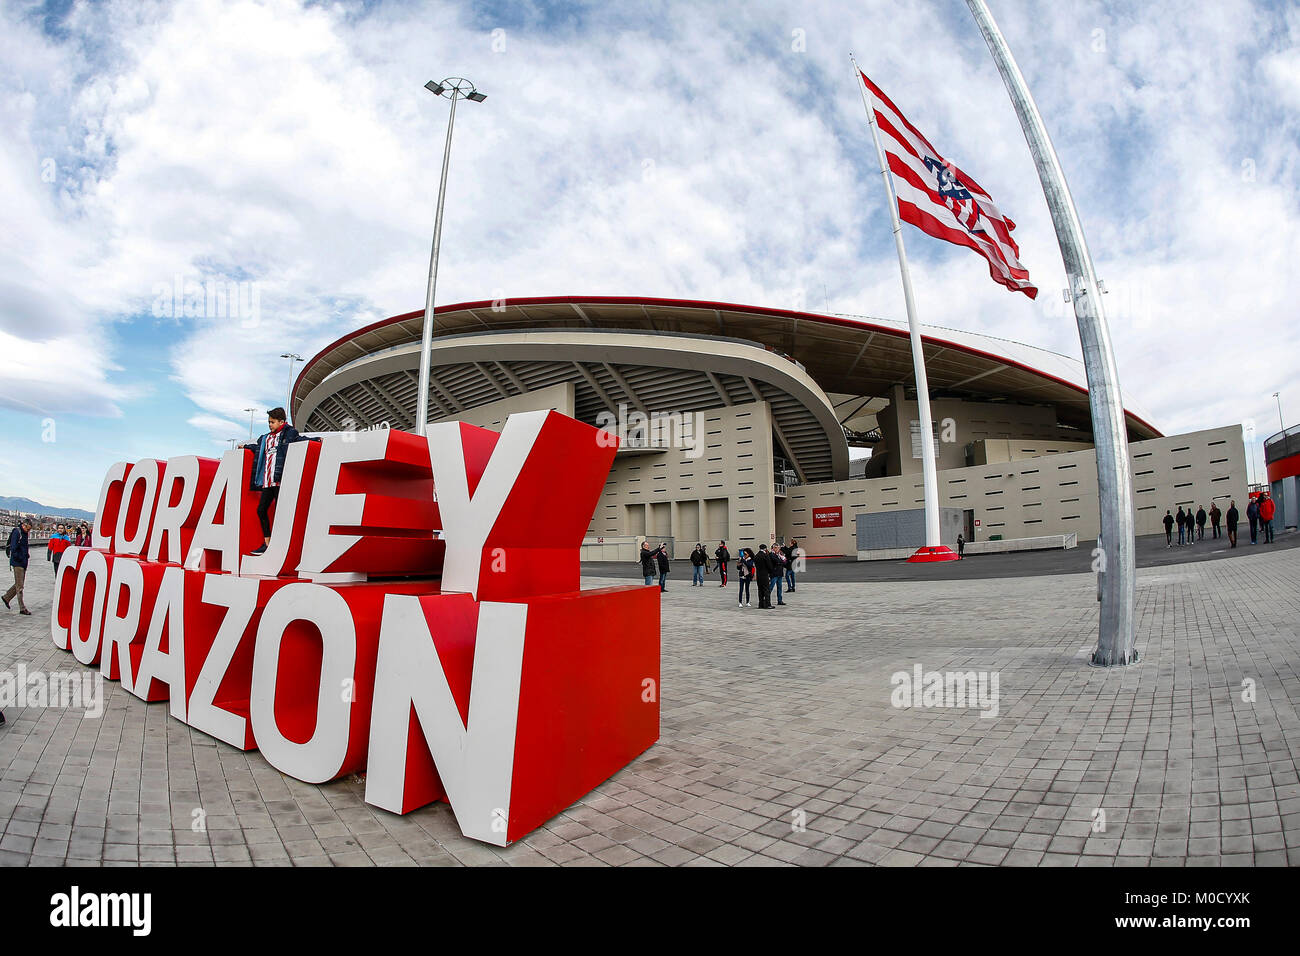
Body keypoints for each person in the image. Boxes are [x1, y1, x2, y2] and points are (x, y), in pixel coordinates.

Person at [243, 407, 309, 556]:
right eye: (269, 422)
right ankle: (267, 543)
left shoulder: (289, 433)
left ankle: (283, 544)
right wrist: (246, 446)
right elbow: (258, 448)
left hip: (280, 481)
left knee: (281, 513)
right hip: (268, 482)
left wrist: (316, 440)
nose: (270, 425)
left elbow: (300, 440)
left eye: (272, 422)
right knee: (261, 510)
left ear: (281, 421)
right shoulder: (265, 438)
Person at [3, 519, 33, 615]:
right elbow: (13, 548)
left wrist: (26, 555)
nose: (28, 531)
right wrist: (20, 557)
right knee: (20, 586)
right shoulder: (17, 532)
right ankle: (22, 608)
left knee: (19, 584)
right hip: (18, 562)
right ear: (24, 525)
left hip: (23, 562)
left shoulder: (24, 533)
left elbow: (23, 547)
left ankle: (6, 597)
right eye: (28, 529)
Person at [754, 544, 772, 609]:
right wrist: (771, 572)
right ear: (765, 548)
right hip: (765, 574)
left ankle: (760, 604)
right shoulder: (765, 556)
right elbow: (769, 566)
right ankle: (767, 604)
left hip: (759, 575)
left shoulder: (756, 556)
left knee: (760, 590)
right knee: (766, 589)